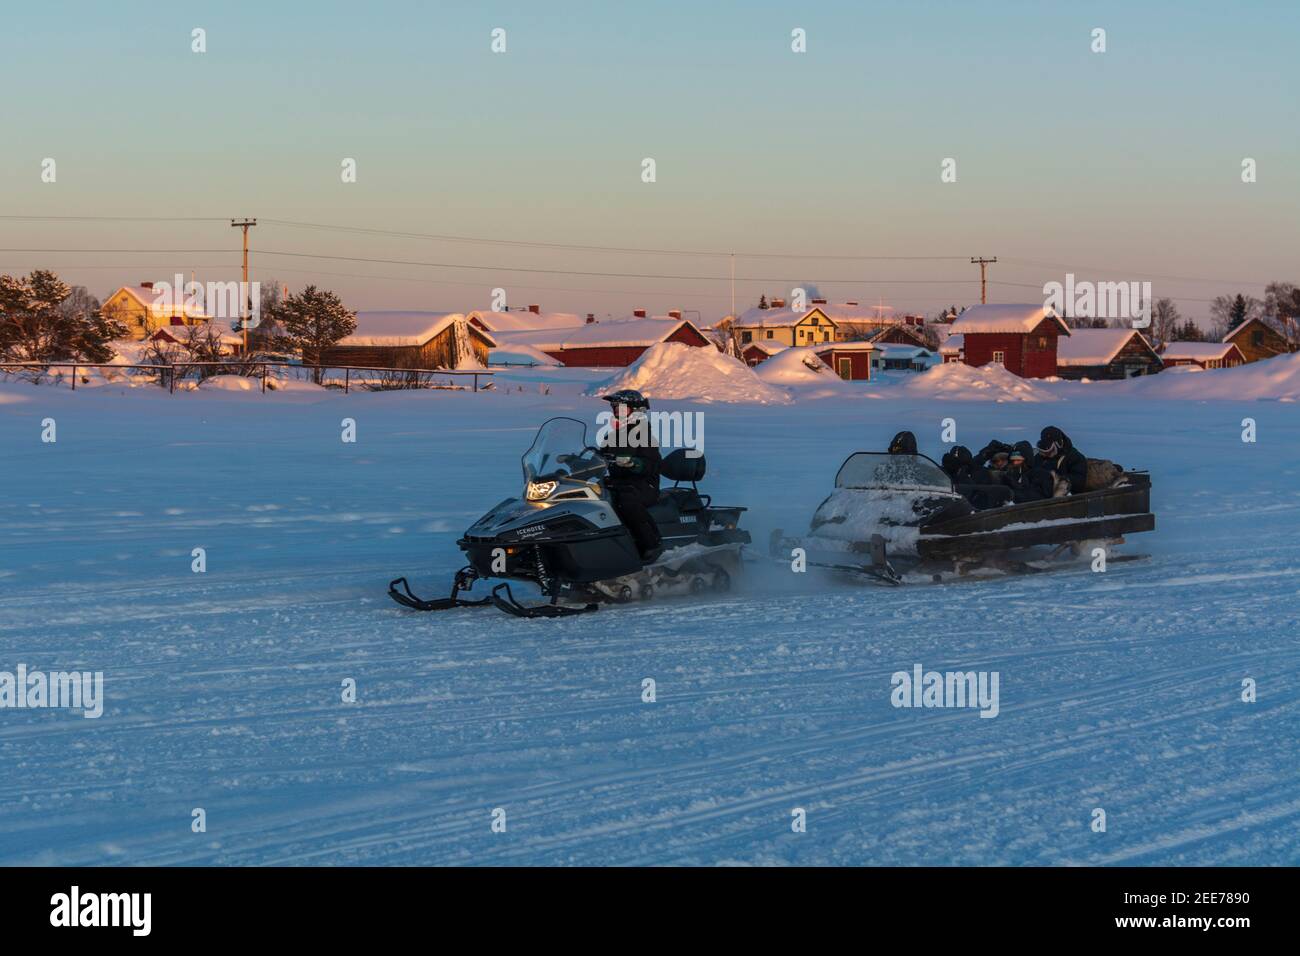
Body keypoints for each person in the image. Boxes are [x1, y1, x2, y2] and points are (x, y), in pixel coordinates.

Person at [598, 389, 662, 560]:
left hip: (644, 485)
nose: (617, 412)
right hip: (618, 483)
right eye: (615, 408)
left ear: (636, 410)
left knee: (626, 501)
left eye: (622, 409)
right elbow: (599, 457)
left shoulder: (644, 434)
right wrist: (576, 460)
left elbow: (652, 464)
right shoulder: (612, 436)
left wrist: (635, 463)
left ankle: (651, 544)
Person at [1033, 426, 1087, 495]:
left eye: (1050, 450)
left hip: (1066, 495)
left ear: (1059, 444)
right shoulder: (1039, 458)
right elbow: (1032, 471)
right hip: (1040, 492)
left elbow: (1080, 481)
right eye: (1044, 451)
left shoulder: (1075, 457)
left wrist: (1058, 478)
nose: (1047, 454)